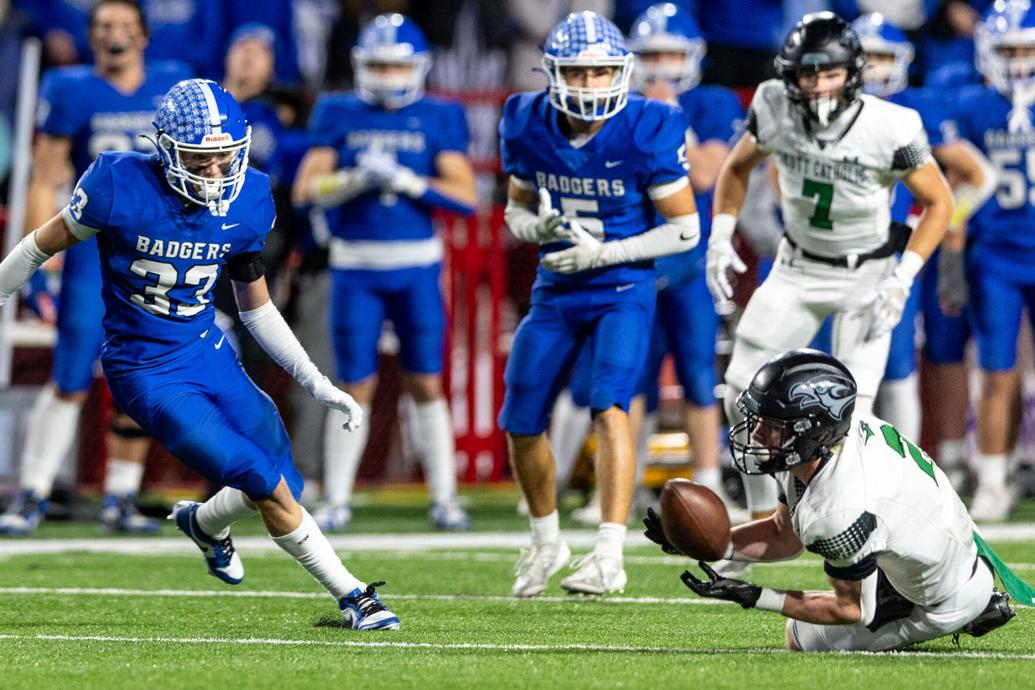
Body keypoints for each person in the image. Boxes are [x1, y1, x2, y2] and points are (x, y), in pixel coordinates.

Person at [0, 78, 400, 631]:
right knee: (259, 475)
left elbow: (257, 309)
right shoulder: (118, 182)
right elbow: (39, 245)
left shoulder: (251, 196)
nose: (214, 172)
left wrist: (314, 380)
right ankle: (355, 597)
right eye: (198, 159)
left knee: (283, 480)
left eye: (224, 157)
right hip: (145, 369)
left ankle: (205, 524)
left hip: (207, 350)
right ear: (167, 150)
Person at [707, 12, 953, 548]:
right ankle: (765, 520)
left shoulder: (891, 124)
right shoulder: (772, 103)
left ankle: (861, 525)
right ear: (789, 74)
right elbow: (736, 168)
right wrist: (720, 234)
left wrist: (904, 276)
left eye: (830, 73)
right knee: (743, 389)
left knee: (853, 414)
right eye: (807, 73)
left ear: (854, 74)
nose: (818, 85)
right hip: (797, 267)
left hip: (868, 275)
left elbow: (940, 201)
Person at [500, 10, 699, 597]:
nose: (589, 84)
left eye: (600, 72)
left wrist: (605, 254)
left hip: (620, 287)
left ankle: (610, 554)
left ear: (621, 72)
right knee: (520, 418)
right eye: (578, 73)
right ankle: (546, 541)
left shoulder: (648, 124)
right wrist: (536, 228)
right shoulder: (526, 120)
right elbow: (515, 210)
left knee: (609, 405)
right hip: (557, 286)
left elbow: (685, 230)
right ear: (554, 73)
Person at [644, 348, 1020, 652]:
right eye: (759, 419)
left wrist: (755, 596)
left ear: (810, 431)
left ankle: (967, 610)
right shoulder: (833, 439)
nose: (756, 435)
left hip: (940, 596)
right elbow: (782, 534)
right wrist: (712, 543)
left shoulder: (839, 510)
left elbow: (851, 609)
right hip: (936, 545)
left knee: (798, 638)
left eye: (772, 426)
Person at [0, 0, 192, 536]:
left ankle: (121, 498)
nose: (114, 34)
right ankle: (33, 494)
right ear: (90, 36)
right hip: (92, 246)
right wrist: (39, 261)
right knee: (71, 371)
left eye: (124, 25)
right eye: (104, 25)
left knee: (142, 374)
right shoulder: (71, 87)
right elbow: (45, 179)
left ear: (145, 36)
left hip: (156, 248)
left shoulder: (173, 84)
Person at [292, 13, 477, 532]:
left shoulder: (439, 114)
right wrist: (352, 181)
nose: (388, 75)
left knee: (426, 380)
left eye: (396, 65)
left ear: (418, 66)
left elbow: (466, 197)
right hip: (356, 264)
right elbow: (306, 191)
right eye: (377, 64)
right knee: (354, 383)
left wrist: (410, 182)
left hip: (416, 265)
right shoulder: (337, 110)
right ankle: (337, 498)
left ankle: (444, 497)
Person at [853, 11, 994, 479]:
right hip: (837, 254)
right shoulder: (827, 111)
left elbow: (978, 175)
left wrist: (939, 223)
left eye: (882, 57)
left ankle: (912, 473)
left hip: (900, 254)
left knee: (907, 361)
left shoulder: (913, 111)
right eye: (865, 57)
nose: (873, 67)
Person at [626, 2, 746, 519]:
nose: (661, 66)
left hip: (691, 260)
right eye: (651, 55)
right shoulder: (620, 105)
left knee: (699, 374)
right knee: (631, 379)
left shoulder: (712, 102)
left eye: (671, 54)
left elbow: (705, 175)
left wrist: (672, 117)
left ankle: (709, 482)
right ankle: (623, 486)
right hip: (634, 256)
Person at [951, 1, 1035, 521]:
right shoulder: (973, 105)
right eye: (1008, 50)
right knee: (997, 372)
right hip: (997, 256)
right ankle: (992, 477)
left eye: (1027, 49)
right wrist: (955, 245)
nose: (1019, 60)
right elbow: (958, 184)